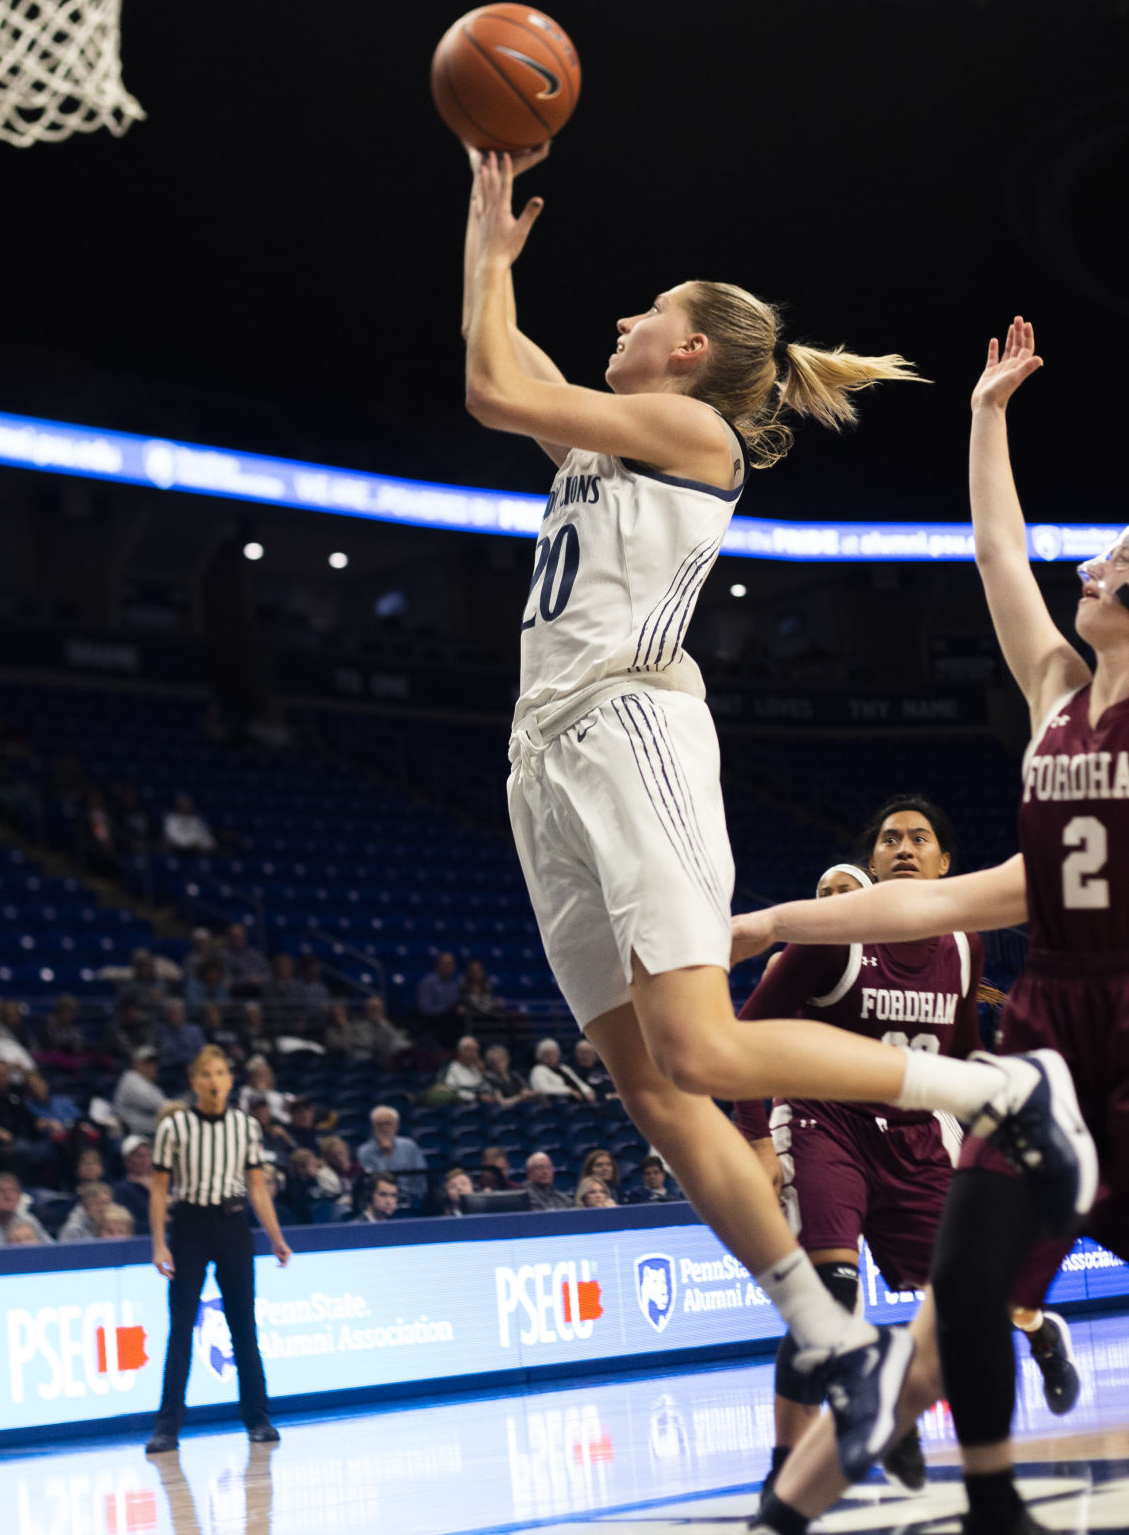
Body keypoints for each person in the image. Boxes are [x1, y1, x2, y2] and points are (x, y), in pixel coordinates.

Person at [461, 148, 1091, 1477]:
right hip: (543, 752)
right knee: (655, 1087)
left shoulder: (697, 433)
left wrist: (491, 251)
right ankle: (826, 1329)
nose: (621, 321)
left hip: (629, 720)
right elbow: (496, 382)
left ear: (687, 351)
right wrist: (484, 244)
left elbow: (492, 376)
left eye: (642, 313)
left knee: (709, 1047)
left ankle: (985, 1086)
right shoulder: (608, 426)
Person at [734, 320, 1116, 1535]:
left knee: (977, 1292)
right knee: (958, 1289)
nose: (1091, 565)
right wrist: (986, 417)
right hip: (1045, 1024)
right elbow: (999, 555)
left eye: (1112, 557)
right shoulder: (1058, 700)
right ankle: (861, 1511)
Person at [736, 818, 1074, 1501]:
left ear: (944, 862)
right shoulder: (823, 945)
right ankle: (785, 1470)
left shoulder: (960, 945)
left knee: (967, 1306)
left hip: (917, 1133)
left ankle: (1028, 1337)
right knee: (829, 1296)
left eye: (917, 838)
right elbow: (741, 1038)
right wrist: (756, 1139)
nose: (902, 848)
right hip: (822, 1119)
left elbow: (960, 1056)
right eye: (888, 840)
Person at [147, 1045, 291, 1453]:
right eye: (206, 1074)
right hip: (190, 1225)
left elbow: (257, 1188)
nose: (214, 1081)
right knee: (180, 1328)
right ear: (194, 1081)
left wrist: (276, 1237)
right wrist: (159, 1243)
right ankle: (168, 1425)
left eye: (221, 1073)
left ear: (230, 1080)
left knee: (244, 1324)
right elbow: (159, 1192)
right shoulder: (173, 1128)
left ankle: (257, 1417)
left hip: (232, 1224)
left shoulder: (246, 1127)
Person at [357, 1105, 428, 1213]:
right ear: (374, 1127)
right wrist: (386, 1154)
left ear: (396, 1126)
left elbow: (421, 1177)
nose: (384, 1128)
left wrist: (419, 1200)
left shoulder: (409, 1145)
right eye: (380, 1124)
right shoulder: (364, 1151)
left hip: (410, 1200)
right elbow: (370, 1182)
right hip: (380, 1204)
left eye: (388, 1123)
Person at [0, 1171, 53, 1248]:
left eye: (13, 1191)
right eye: (1, 1191)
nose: (8, 1196)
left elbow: (50, 1248)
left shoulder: (28, 1220)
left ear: (19, 1196)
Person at [114, 1047, 167, 1137]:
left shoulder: (147, 1082)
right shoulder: (131, 1080)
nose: (152, 1066)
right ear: (136, 1064)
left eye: (153, 1063)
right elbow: (158, 1105)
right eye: (146, 1063)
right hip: (137, 1136)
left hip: (150, 1132)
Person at [113, 1135, 155, 1232]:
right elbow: (130, 1224)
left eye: (148, 1155)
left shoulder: (163, 1184)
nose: (144, 1160)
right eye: (139, 1156)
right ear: (126, 1160)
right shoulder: (121, 1190)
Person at [529, 1039, 595, 1101]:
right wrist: (569, 1091)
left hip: (576, 1100)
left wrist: (587, 1091)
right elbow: (542, 1089)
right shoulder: (538, 1070)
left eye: (553, 1054)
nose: (551, 1057)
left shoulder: (564, 1068)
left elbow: (578, 1082)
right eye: (547, 1055)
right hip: (556, 1103)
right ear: (540, 1056)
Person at [440, 1035, 489, 1102]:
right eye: (471, 1051)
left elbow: (486, 1090)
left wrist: (484, 1073)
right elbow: (449, 1092)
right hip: (459, 1107)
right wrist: (476, 1097)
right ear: (461, 1051)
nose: (475, 1055)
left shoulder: (476, 1068)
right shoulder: (450, 1068)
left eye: (476, 1051)